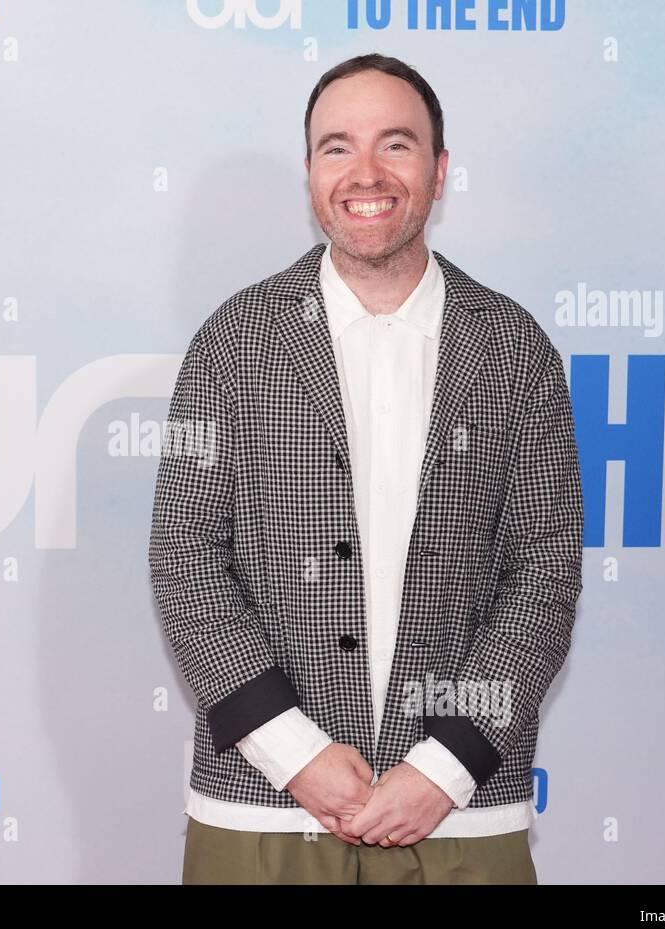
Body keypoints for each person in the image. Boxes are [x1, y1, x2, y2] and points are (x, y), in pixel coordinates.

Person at [148, 53, 584, 884]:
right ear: (311, 173)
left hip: (462, 809)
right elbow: (185, 557)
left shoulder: (515, 350)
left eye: (398, 143)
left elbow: (544, 571)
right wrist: (296, 754)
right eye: (337, 147)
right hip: (261, 808)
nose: (367, 173)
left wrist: (445, 766)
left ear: (441, 170)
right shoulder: (231, 343)